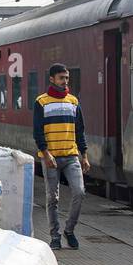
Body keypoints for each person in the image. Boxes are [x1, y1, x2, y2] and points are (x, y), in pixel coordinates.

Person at [33, 63, 89, 249]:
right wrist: (46, 153)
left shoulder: (73, 101)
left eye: (66, 78)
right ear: (52, 79)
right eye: (61, 78)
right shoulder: (41, 102)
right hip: (50, 158)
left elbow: (80, 130)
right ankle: (55, 236)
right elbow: (37, 132)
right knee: (52, 198)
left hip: (71, 155)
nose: (65, 81)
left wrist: (84, 155)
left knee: (79, 192)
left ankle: (69, 230)